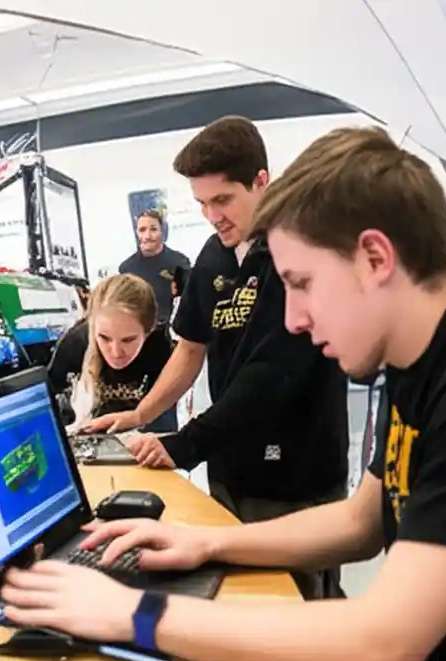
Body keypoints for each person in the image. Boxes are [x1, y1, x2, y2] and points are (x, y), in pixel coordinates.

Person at [0, 125, 446, 661]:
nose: (294, 321)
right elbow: (362, 520)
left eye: (302, 285)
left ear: (376, 258)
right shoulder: (422, 360)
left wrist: (131, 613)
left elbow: (379, 653)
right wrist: (207, 542)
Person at [88, 116, 349, 599]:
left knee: (295, 606)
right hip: (230, 471)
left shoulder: (297, 253)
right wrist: (140, 415)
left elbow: (271, 377)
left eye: (223, 200)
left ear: (261, 181)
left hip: (294, 480)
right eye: (202, 203)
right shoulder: (213, 255)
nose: (212, 216)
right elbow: (190, 347)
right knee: (236, 597)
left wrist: (185, 444)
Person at [47, 274, 176, 432]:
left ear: (148, 331)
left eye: (128, 340)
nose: (116, 353)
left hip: (145, 437)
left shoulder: (162, 347)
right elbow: (46, 398)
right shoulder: (74, 344)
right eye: (104, 338)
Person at [118, 209, 192, 324]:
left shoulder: (179, 262)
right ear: (136, 233)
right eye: (142, 230)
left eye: (153, 229)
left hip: (174, 328)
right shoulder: (126, 269)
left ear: (162, 231)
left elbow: (188, 303)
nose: (147, 236)